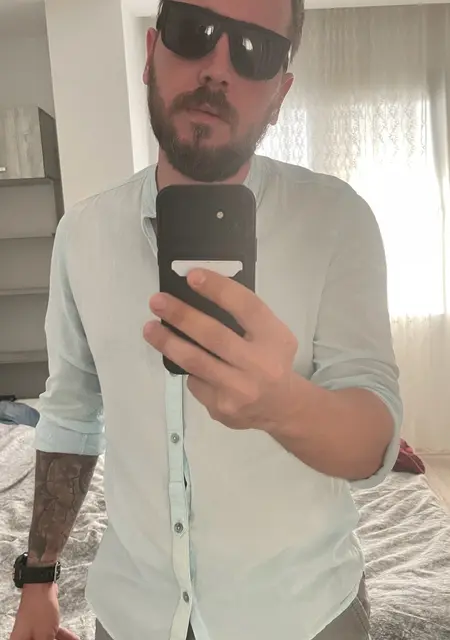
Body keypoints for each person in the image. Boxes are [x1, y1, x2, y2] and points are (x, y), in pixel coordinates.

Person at [10, 0, 402, 639]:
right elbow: (71, 414)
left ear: (280, 94)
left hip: (303, 614)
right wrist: (38, 580)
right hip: (133, 615)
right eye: (195, 31)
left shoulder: (336, 221)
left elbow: (374, 440)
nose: (218, 68)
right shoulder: (81, 234)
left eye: (256, 51)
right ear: (150, 54)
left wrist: (283, 405)